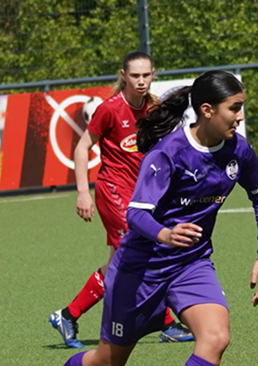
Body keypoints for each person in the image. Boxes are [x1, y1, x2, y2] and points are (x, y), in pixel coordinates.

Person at [22, 70, 258, 366]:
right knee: (109, 361)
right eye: (234, 109)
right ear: (207, 111)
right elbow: (136, 216)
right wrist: (165, 235)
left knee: (216, 337)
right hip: (140, 270)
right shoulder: (168, 154)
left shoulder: (237, 150)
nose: (240, 117)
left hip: (191, 265)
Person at [48, 51, 193, 349]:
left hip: (143, 196)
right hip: (113, 191)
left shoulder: (155, 107)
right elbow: (82, 148)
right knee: (146, 252)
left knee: (119, 262)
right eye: (135, 76)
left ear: (154, 74)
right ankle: (165, 322)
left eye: (146, 75)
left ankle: (68, 315)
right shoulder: (110, 109)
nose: (141, 81)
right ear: (123, 76)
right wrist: (83, 192)